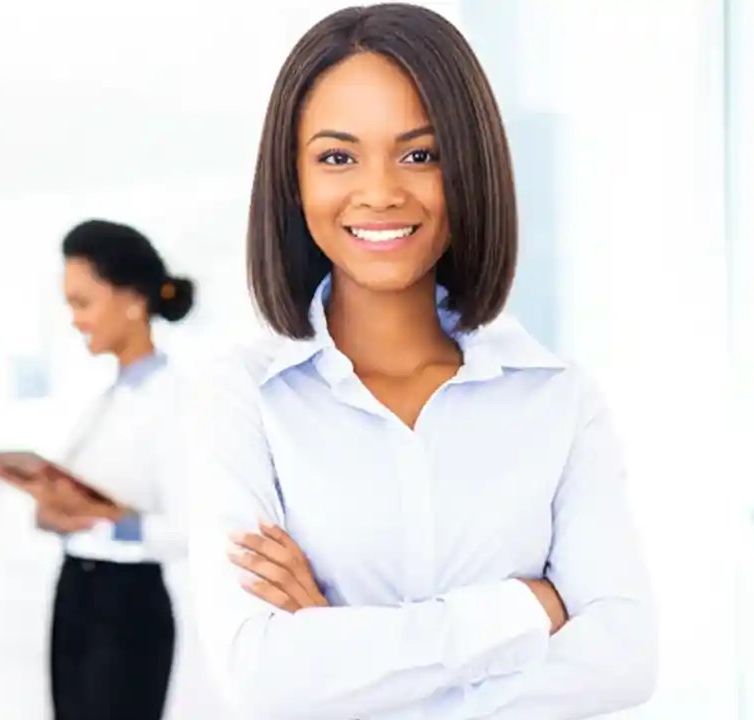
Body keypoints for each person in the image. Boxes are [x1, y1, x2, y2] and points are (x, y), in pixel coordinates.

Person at [186, 5, 657, 719]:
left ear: (468, 167)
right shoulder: (245, 399)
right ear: (293, 180)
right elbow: (261, 676)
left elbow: (622, 664)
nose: (379, 192)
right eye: (337, 157)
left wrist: (336, 650)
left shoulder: (558, 399)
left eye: (420, 154)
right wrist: (520, 612)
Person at [0, 219, 194, 720]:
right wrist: (51, 507)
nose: (74, 320)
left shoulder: (177, 401)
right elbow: (82, 507)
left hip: (127, 606)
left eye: (82, 303)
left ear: (133, 300)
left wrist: (108, 518)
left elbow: (193, 531)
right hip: (77, 591)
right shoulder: (106, 398)